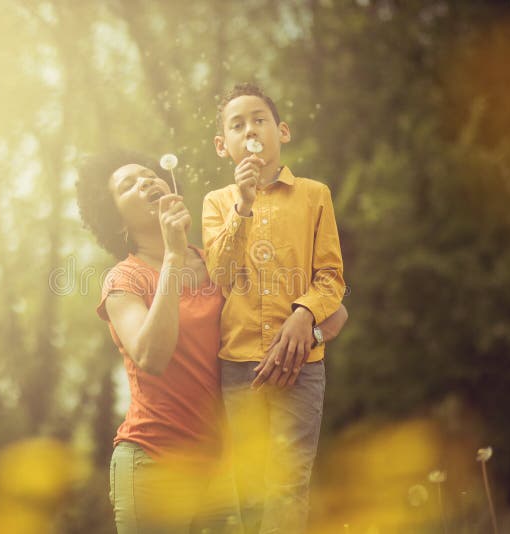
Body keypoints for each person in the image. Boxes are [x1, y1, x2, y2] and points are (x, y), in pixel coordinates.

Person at [77, 149, 348, 534]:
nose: (147, 180)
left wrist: (304, 328)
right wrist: (172, 257)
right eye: (128, 185)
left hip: (222, 471)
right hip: (154, 463)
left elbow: (336, 313)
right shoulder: (124, 281)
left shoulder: (220, 262)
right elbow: (151, 356)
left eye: (148, 174)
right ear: (117, 220)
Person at [202, 83, 347, 533]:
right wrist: (242, 207)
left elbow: (331, 279)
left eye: (259, 119)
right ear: (222, 146)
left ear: (281, 131)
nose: (251, 130)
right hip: (239, 367)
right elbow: (220, 275)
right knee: (247, 491)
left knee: (288, 488)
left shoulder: (314, 194)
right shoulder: (216, 203)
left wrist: (304, 315)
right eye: (237, 123)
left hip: (302, 366)